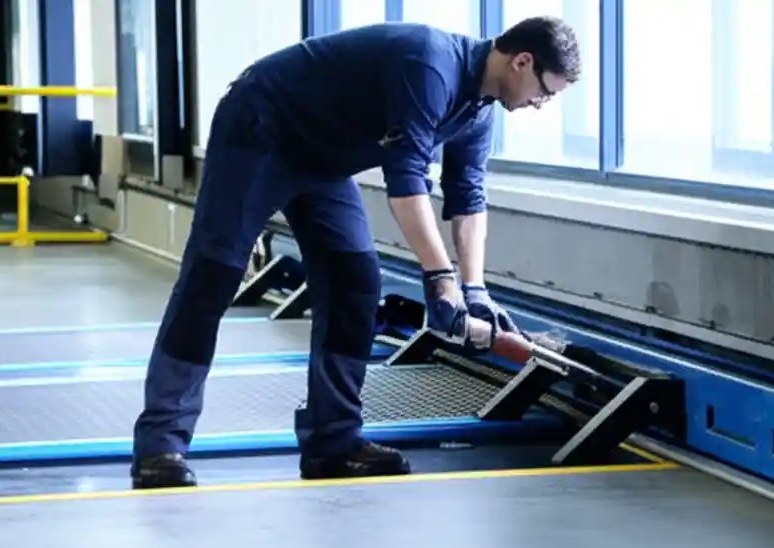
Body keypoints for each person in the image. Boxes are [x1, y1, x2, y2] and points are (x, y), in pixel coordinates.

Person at [128, 17, 581, 489]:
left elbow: (467, 199)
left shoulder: (479, 111)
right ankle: (161, 444)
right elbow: (406, 184)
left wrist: (475, 288)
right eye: (545, 91)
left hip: (323, 162)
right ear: (522, 61)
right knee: (213, 276)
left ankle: (334, 443)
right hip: (261, 129)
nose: (540, 105)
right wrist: (440, 282)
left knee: (356, 283)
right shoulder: (430, 64)